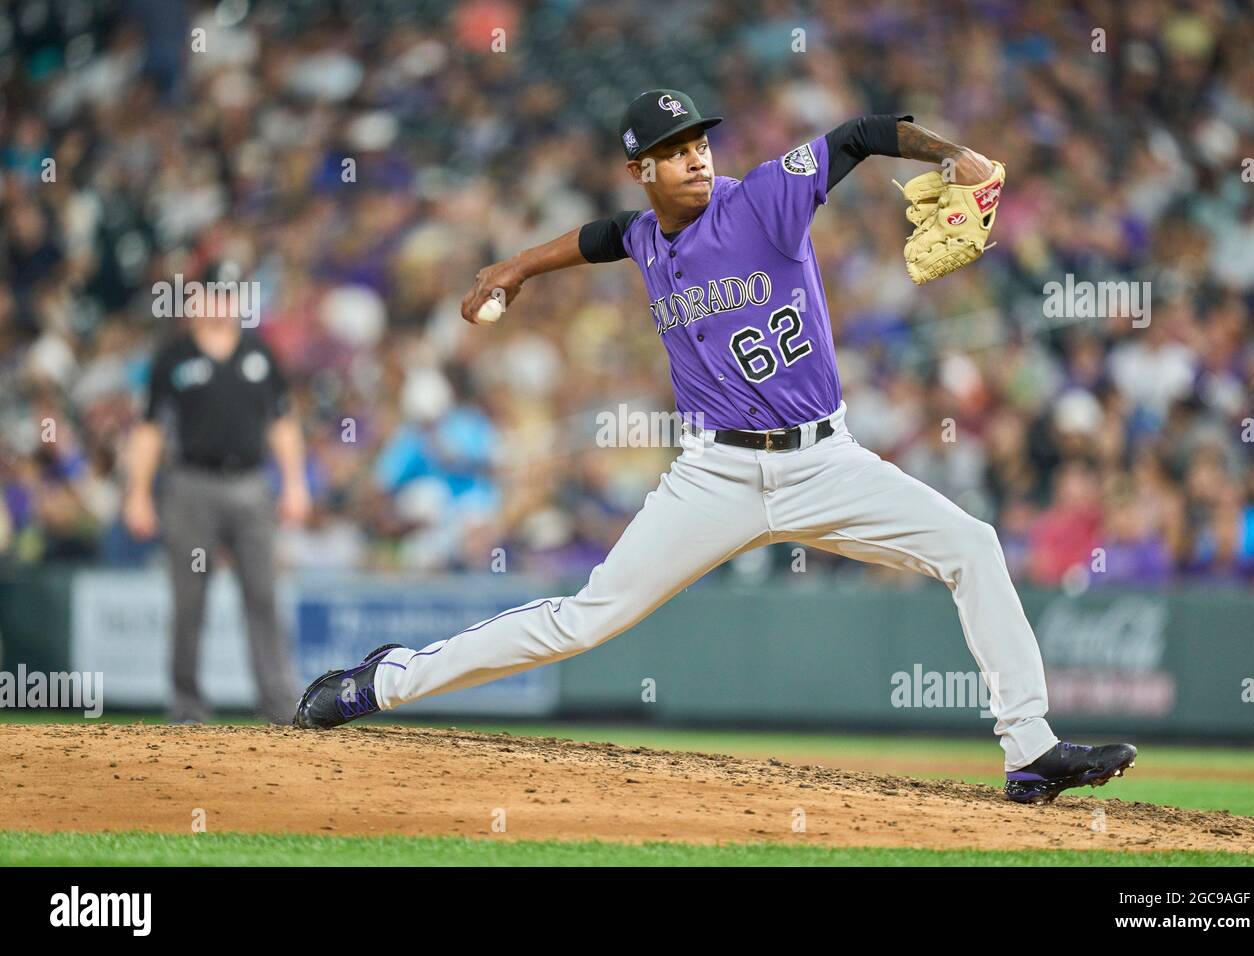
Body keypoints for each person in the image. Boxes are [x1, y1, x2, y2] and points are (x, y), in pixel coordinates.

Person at [295, 90, 1136, 804]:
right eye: (672, 150)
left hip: (824, 462)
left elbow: (860, 135)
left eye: (698, 141)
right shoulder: (646, 237)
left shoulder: (763, 200)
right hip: (716, 475)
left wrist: (962, 160)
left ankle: (1029, 750)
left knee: (973, 546)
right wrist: (516, 267)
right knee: (584, 621)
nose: (695, 158)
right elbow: (602, 235)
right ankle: (382, 681)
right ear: (642, 171)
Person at [123, 269, 309, 724]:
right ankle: (186, 705)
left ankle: (280, 705)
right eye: (211, 296)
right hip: (191, 486)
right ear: (193, 302)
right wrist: (138, 493)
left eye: (228, 296)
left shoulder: (259, 355)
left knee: (263, 596)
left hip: (250, 484)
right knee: (189, 599)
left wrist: (295, 483)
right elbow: (149, 430)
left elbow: (282, 422)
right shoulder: (174, 357)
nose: (220, 305)